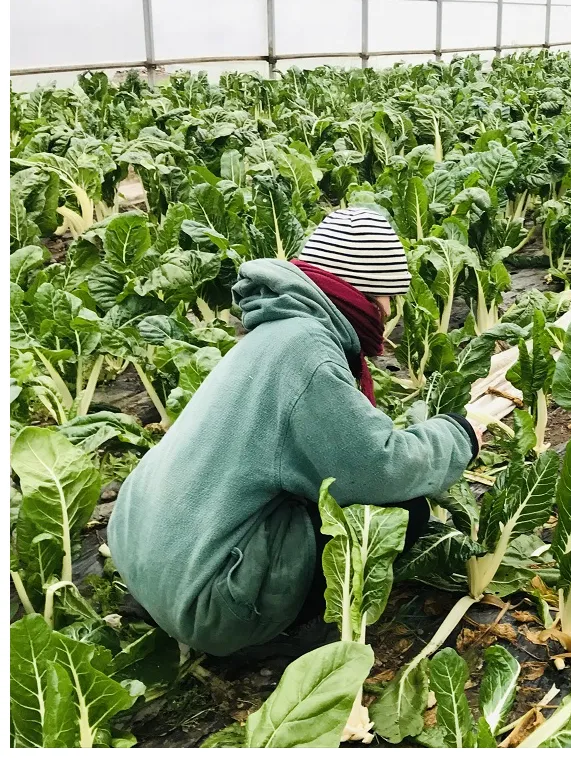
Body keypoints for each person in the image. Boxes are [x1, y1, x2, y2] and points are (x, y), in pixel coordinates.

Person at [108, 208, 480, 656]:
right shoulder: (309, 351)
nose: (388, 311)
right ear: (364, 292)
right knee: (402, 510)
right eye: (388, 296)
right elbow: (380, 469)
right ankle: (285, 633)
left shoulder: (276, 329)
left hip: (147, 559)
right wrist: (459, 433)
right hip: (208, 606)